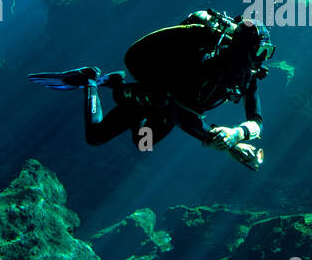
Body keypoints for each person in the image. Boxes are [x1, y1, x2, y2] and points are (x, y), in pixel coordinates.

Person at [29, 9, 273, 170]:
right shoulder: (204, 62)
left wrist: (237, 135)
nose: (262, 60)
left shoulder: (246, 74)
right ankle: (92, 80)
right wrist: (224, 142)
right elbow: (183, 116)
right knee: (95, 137)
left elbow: (257, 120)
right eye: (260, 52)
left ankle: (117, 84)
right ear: (242, 50)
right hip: (157, 98)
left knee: (142, 144)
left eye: (266, 52)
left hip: (171, 109)